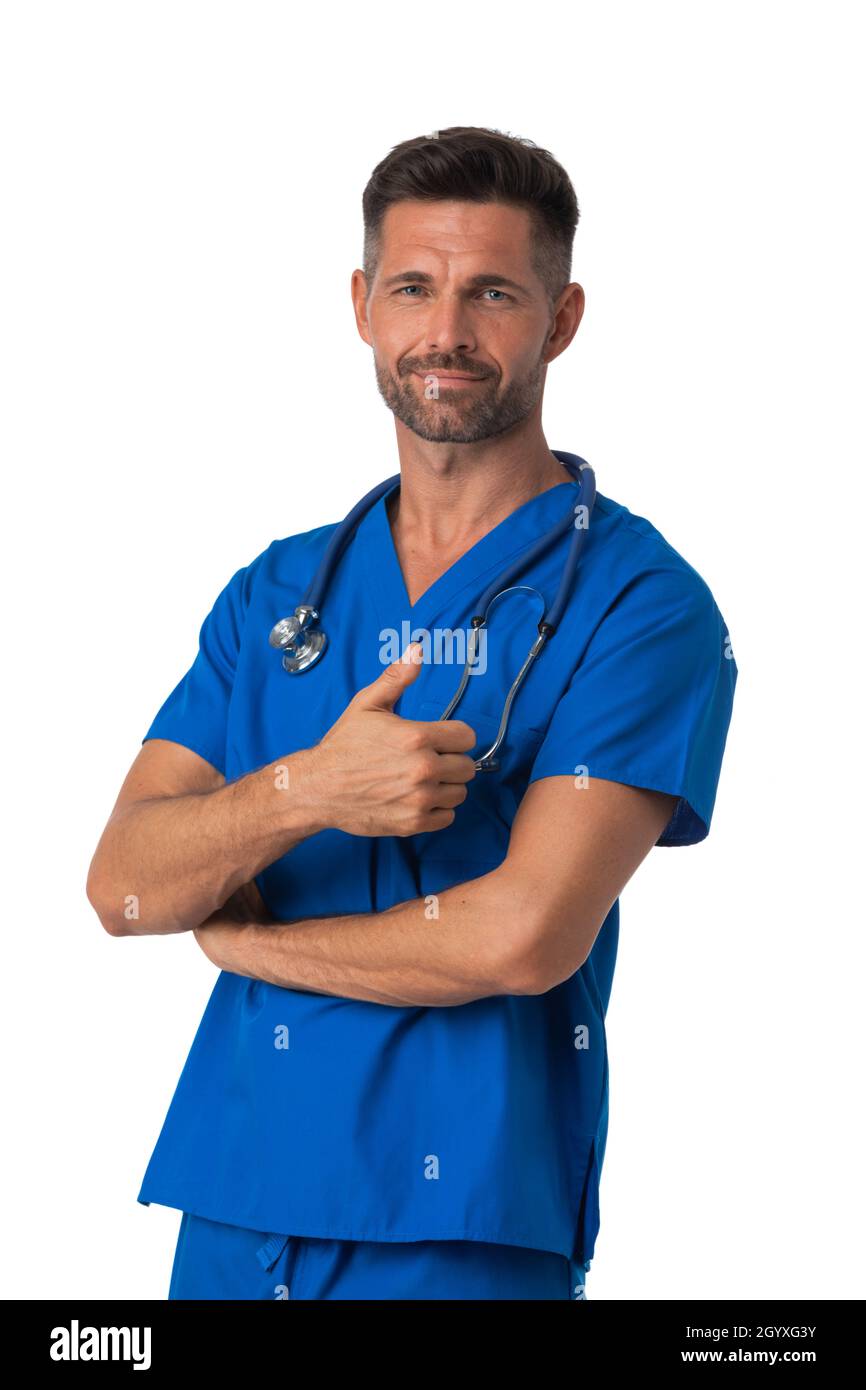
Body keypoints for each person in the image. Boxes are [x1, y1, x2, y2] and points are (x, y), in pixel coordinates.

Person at [86, 126, 738, 1301]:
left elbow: (523, 934)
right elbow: (122, 882)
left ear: (562, 317)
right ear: (360, 305)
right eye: (413, 288)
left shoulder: (639, 604)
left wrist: (250, 945)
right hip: (234, 1207)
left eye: (492, 292)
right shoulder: (282, 590)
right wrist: (310, 788)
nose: (445, 333)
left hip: (460, 1230)